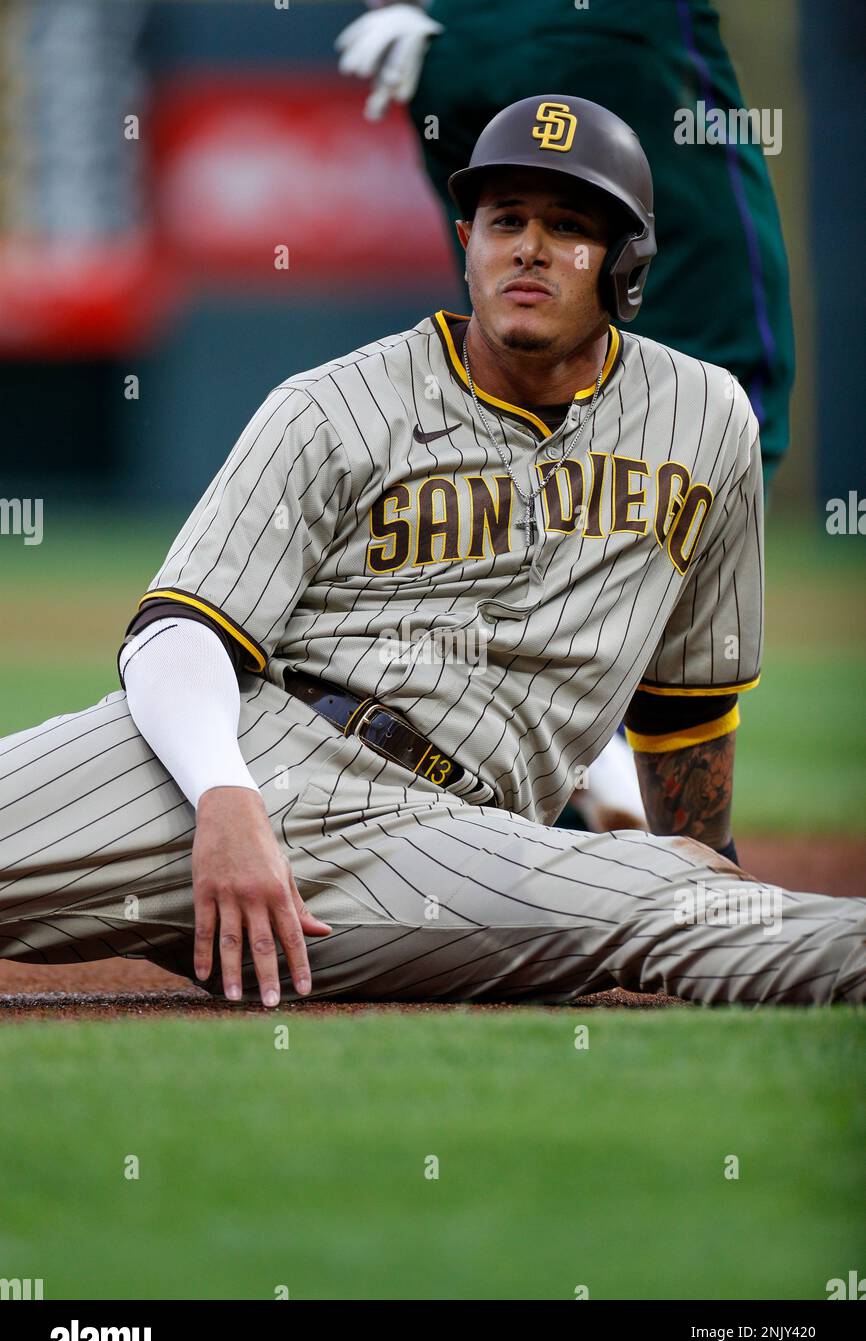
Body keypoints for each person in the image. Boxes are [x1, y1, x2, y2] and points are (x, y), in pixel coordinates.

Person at [1, 97, 861, 1010]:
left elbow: (689, 700)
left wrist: (713, 864)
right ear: (467, 240)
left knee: (672, 905)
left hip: (440, 841)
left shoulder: (704, 420)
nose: (529, 247)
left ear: (627, 263)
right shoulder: (334, 404)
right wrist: (225, 797)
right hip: (231, 753)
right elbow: (178, 634)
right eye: (506, 221)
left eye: (568, 225)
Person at [336, 0, 795, 832]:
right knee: (715, 418)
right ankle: (596, 782)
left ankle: (565, 775)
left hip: (440, 44)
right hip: (609, 43)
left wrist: (442, 27)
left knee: (535, 403)